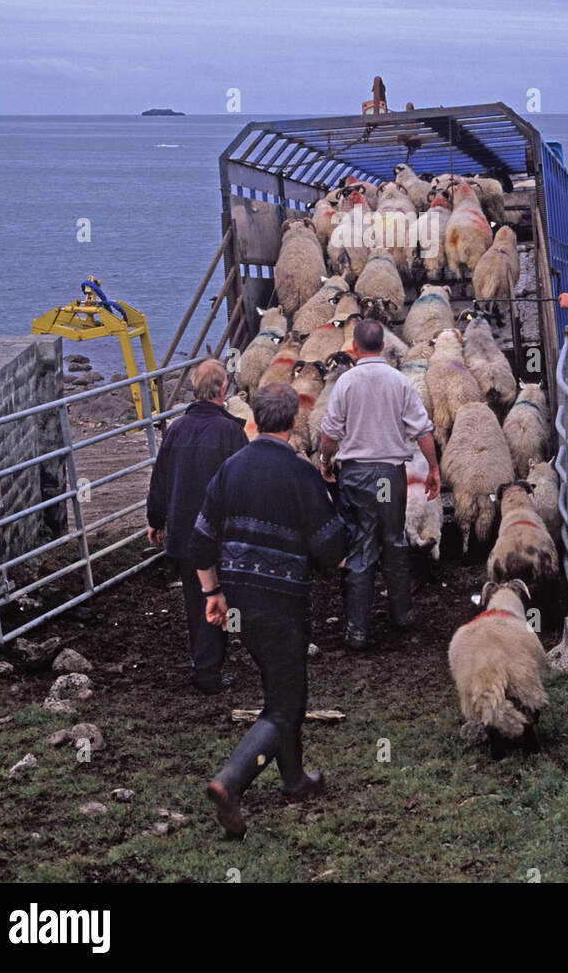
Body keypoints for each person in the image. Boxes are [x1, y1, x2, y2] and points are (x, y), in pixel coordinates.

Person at [189, 382, 346, 837]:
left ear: (255, 419)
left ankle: (294, 780)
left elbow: (201, 539)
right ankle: (230, 782)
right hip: (283, 603)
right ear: (295, 420)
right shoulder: (301, 474)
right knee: (286, 704)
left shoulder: (231, 468)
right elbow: (332, 552)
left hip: (240, 601)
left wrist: (212, 593)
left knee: (281, 689)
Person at [319, 317, 441, 650]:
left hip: (357, 475)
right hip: (388, 477)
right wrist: (433, 468)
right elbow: (423, 430)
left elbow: (330, 434)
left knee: (361, 545)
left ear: (354, 347)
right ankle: (403, 615)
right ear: (384, 345)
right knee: (393, 540)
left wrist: (325, 461)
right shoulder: (399, 381)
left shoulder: (345, 383)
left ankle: (358, 630)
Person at [146, 357, 246, 694]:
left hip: (184, 533)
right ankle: (209, 672)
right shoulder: (232, 432)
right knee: (220, 595)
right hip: (221, 534)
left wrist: (156, 520)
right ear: (223, 389)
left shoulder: (176, 429)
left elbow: (160, 479)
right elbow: (244, 483)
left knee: (198, 598)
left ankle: (206, 663)